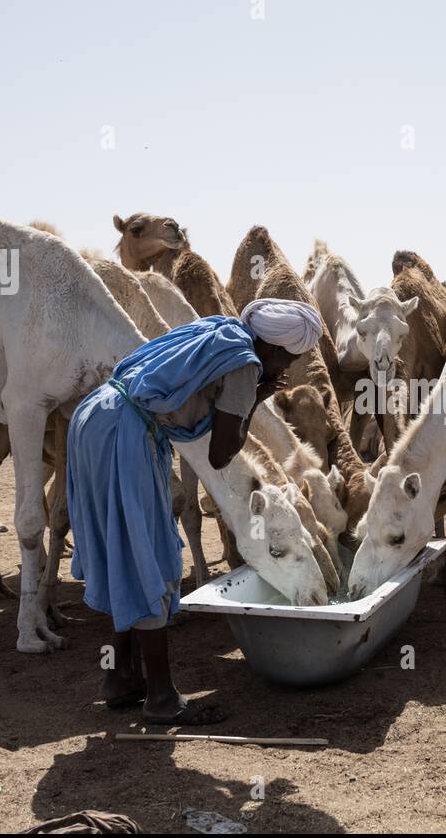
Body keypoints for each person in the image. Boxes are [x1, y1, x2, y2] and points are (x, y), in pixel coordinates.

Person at [67, 299, 323, 725]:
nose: (291, 367)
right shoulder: (244, 367)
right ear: (276, 351)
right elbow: (222, 453)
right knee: (150, 558)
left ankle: (119, 678)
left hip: (95, 416)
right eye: (292, 358)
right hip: (128, 436)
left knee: (125, 550)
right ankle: (162, 697)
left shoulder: (222, 329)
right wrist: (255, 395)